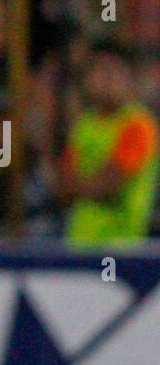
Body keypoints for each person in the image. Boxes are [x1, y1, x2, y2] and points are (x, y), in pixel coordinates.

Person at [60, 44, 158, 247]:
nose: (107, 80)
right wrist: (84, 185)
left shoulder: (137, 125)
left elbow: (107, 185)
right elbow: (62, 186)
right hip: (78, 244)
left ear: (130, 78)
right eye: (99, 71)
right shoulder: (83, 124)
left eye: (113, 71)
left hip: (121, 248)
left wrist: (81, 186)